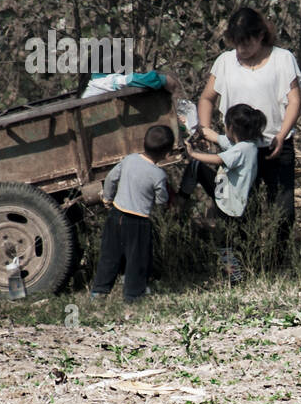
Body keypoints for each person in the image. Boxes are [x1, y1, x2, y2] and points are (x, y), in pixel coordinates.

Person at [196, 8, 301, 251]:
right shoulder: (224, 62)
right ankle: (244, 261)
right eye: (237, 43)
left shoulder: (282, 58)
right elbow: (206, 98)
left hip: (276, 146)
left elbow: (294, 100)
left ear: (261, 35)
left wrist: (281, 135)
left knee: (283, 210)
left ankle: (277, 261)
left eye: (247, 42)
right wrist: (205, 130)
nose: (242, 49)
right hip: (238, 149)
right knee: (240, 210)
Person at [183, 104, 266, 283]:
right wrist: (195, 127)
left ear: (232, 127)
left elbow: (219, 158)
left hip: (229, 202)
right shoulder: (247, 144)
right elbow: (215, 137)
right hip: (227, 194)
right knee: (239, 239)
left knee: (226, 241)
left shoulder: (241, 150)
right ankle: (242, 273)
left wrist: (193, 153)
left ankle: (236, 277)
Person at [91, 124, 174, 302]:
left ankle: (99, 292)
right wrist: (162, 206)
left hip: (116, 214)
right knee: (137, 259)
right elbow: (161, 200)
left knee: (109, 255)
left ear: (143, 142)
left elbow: (112, 178)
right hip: (138, 222)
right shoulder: (158, 174)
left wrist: (107, 199)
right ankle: (133, 295)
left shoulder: (129, 159)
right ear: (167, 153)